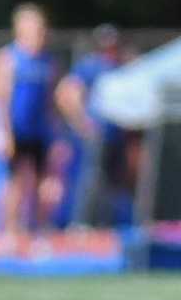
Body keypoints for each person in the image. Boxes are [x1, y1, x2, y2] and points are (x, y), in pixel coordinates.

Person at [0, 2, 61, 254]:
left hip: (40, 132)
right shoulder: (8, 58)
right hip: (16, 130)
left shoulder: (49, 62)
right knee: (14, 185)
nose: (39, 32)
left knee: (43, 186)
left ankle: (38, 234)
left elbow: (51, 101)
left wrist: (55, 134)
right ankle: (7, 234)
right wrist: (4, 133)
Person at [55, 24, 130, 231]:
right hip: (98, 133)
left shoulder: (120, 66)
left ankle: (107, 223)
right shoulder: (91, 66)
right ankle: (81, 222)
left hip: (116, 133)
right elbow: (66, 92)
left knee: (113, 182)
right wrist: (82, 122)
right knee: (91, 178)